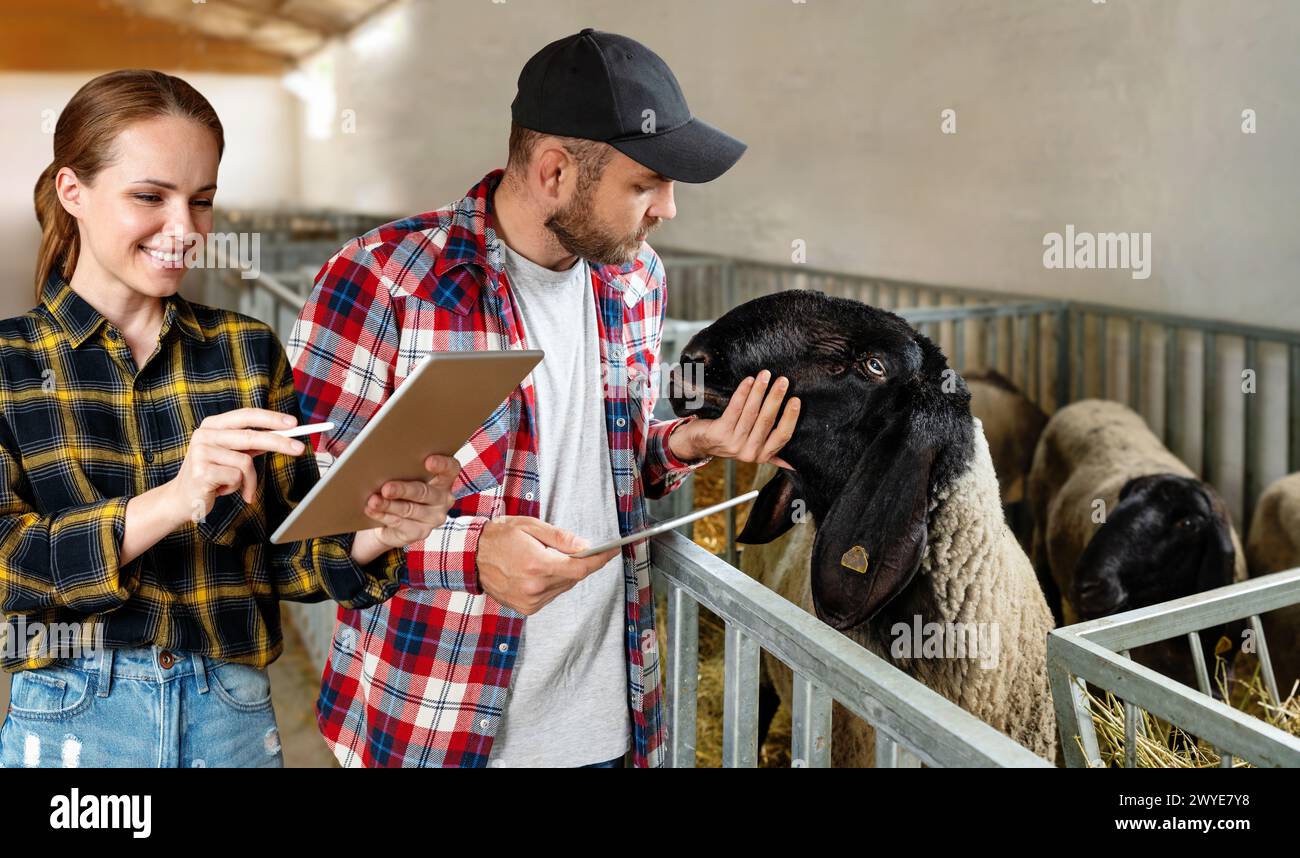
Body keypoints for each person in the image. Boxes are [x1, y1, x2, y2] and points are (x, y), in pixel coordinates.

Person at [291, 28, 799, 768]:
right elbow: (311, 523)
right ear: (556, 172)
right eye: (646, 184)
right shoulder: (382, 279)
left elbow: (606, 458)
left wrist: (686, 444)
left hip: (611, 722)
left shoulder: (635, 278)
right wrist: (471, 556)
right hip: (435, 725)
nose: (668, 208)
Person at [0, 69, 458, 768]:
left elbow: (285, 560)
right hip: (75, 719)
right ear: (73, 191)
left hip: (233, 718)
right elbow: (9, 566)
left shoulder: (246, 350)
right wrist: (175, 500)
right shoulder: (8, 364)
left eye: (202, 200)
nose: (184, 230)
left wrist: (375, 531)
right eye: (150, 197)